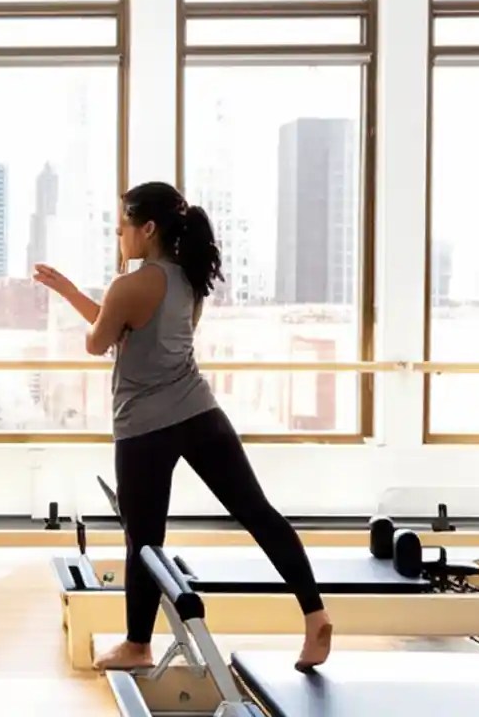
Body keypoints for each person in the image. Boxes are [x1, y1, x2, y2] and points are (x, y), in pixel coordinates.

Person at [34, 181, 332, 673]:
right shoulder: (188, 280)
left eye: (123, 226)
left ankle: (137, 644)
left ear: (147, 228)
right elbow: (125, 325)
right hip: (199, 413)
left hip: (144, 427)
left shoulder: (128, 285)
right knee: (258, 512)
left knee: (144, 540)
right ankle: (315, 613)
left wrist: (88, 300)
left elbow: (98, 341)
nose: (119, 235)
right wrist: (69, 291)